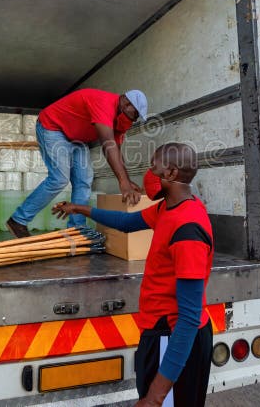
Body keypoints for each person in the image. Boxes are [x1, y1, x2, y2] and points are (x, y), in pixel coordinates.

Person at [53, 143, 213, 406]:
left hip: (173, 338)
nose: (148, 174)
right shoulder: (168, 208)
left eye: (154, 167)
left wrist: (155, 396)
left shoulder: (188, 230)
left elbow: (188, 319)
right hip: (159, 331)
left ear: (171, 173)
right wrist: (80, 209)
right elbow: (127, 223)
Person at [5, 88, 148, 238]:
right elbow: (108, 144)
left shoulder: (120, 119)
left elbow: (116, 150)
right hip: (53, 127)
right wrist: (123, 183)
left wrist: (127, 180)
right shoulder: (104, 103)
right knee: (59, 179)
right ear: (126, 103)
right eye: (135, 114)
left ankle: (77, 229)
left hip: (76, 137)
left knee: (84, 180)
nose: (134, 120)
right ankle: (18, 220)